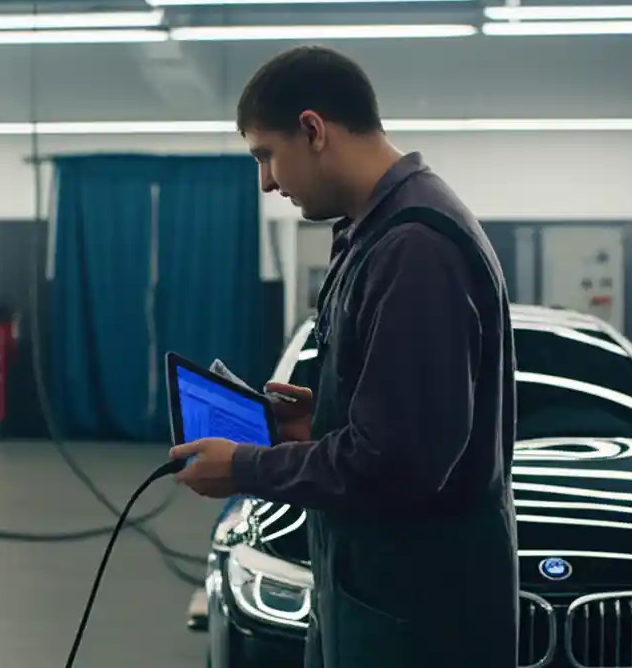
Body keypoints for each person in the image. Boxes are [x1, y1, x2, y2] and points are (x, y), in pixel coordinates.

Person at [170, 46, 519, 667]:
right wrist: (325, 418)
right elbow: (401, 426)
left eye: (265, 155)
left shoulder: (414, 248)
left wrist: (248, 467)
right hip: (382, 600)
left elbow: (399, 466)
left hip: (417, 624)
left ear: (313, 130)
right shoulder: (376, 234)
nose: (266, 182)